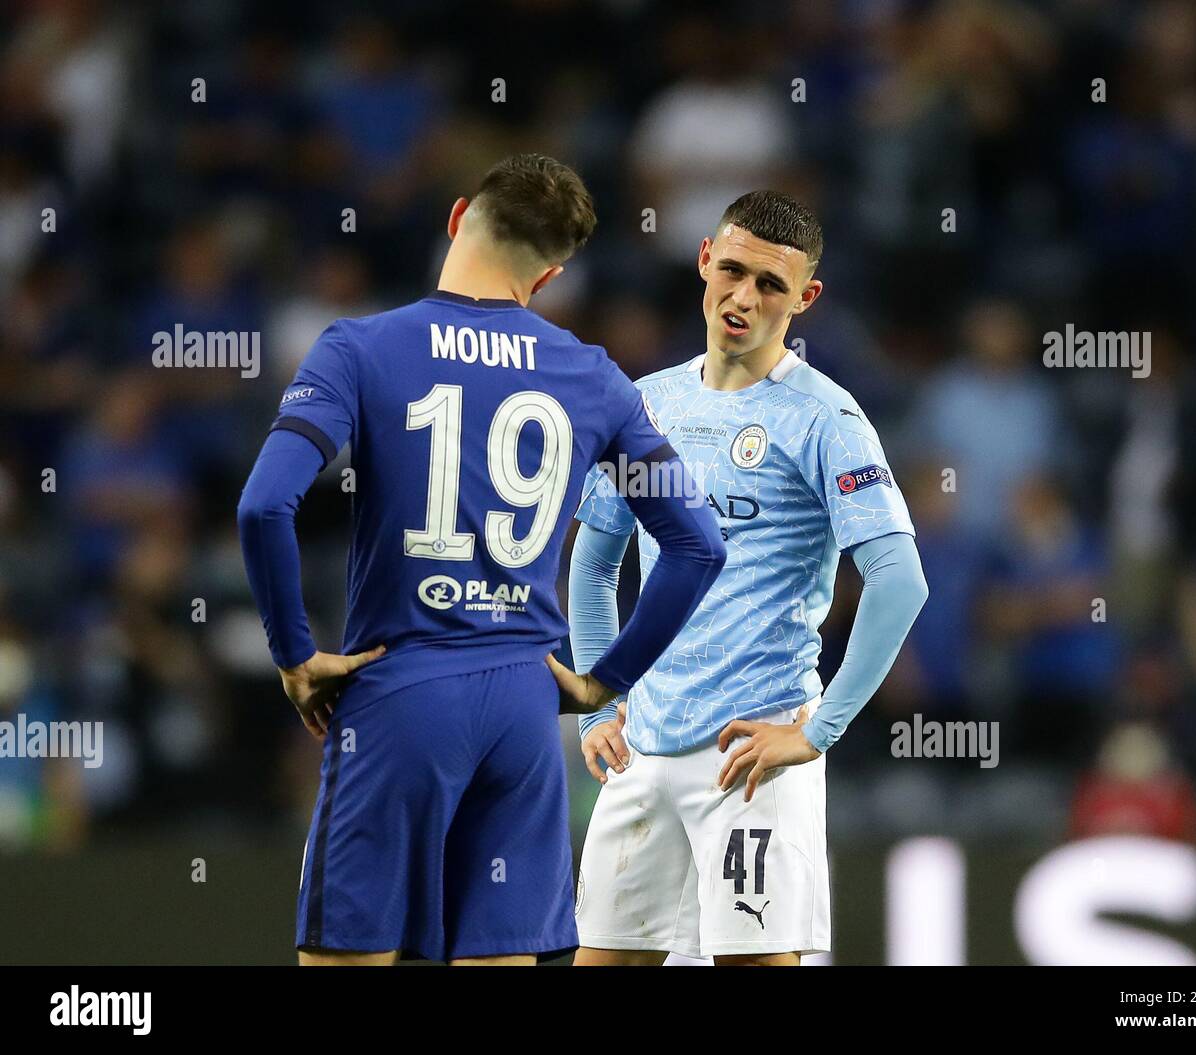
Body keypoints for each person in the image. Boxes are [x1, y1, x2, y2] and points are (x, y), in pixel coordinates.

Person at [236, 154, 725, 966]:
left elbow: (263, 504)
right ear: (554, 272)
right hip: (525, 714)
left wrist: (293, 654)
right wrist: (605, 678)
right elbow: (696, 542)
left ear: (459, 215)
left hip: (398, 692)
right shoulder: (593, 376)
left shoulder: (361, 346)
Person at [569, 191, 927, 965]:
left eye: (771, 284)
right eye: (732, 270)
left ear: (806, 297)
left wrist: (816, 729)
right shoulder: (646, 405)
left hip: (752, 755)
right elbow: (595, 561)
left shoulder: (826, 418)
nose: (744, 297)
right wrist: (599, 705)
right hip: (641, 749)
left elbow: (900, 580)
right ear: (704, 260)